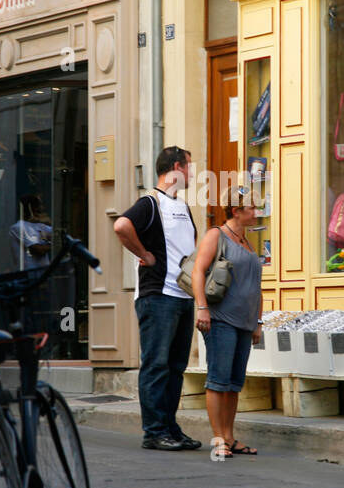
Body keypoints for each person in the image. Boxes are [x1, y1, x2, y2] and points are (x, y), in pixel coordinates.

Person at [113, 147, 203, 451]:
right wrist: (144, 254)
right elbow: (121, 226)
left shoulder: (183, 206)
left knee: (176, 367)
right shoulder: (151, 203)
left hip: (182, 296)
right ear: (176, 167)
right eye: (189, 167)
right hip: (158, 296)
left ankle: (170, 427)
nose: (191, 173)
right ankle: (154, 432)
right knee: (156, 365)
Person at [191, 183, 265, 460]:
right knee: (218, 380)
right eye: (252, 208)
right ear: (236, 211)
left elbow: (256, 286)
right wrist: (202, 308)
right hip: (220, 318)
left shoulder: (247, 241)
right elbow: (198, 271)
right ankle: (218, 438)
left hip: (245, 322)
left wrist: (258, 321)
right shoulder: (217, 235)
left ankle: (230, 437)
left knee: (234, 382)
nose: (257, 212)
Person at [10, 193, 53, 270]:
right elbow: (39, 250)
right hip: (28, 275)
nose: (42, 209)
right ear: (31, 209)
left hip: (44, 274)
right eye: (39, 207)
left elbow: (59, 236)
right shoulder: (19, 227)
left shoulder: (41, 226)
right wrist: (54, 245)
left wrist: (49, 222)